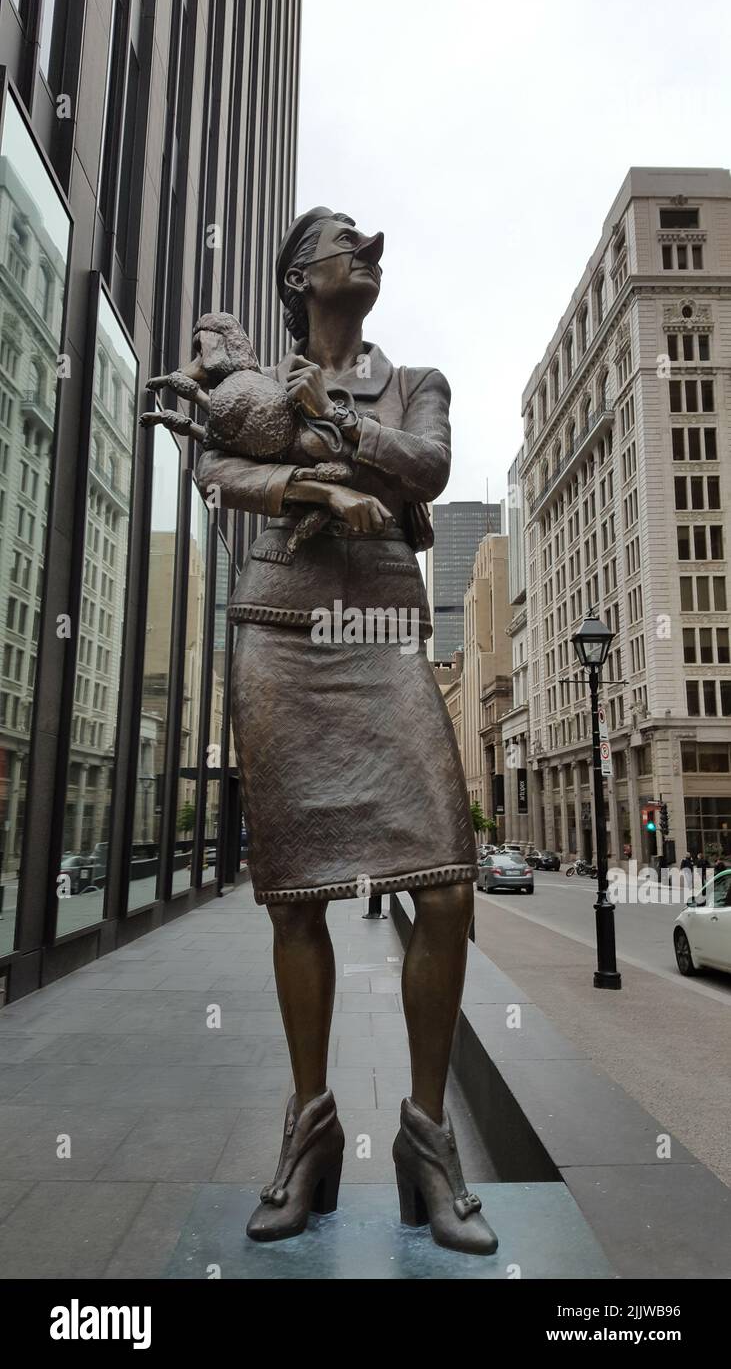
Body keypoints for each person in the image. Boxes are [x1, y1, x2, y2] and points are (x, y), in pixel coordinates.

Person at [191, 208, 497, 1256]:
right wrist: (315, 482)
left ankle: (425, 1141)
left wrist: (342, 430)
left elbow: (428, 468)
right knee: (295, 896)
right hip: (279, 630)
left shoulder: (417, 381)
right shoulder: (250, 381)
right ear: (297, 274)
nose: (368, 248)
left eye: (371, 244)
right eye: (343, 239)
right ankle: (310, 1133)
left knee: (445, 882)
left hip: (380, 632)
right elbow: (215, 473)